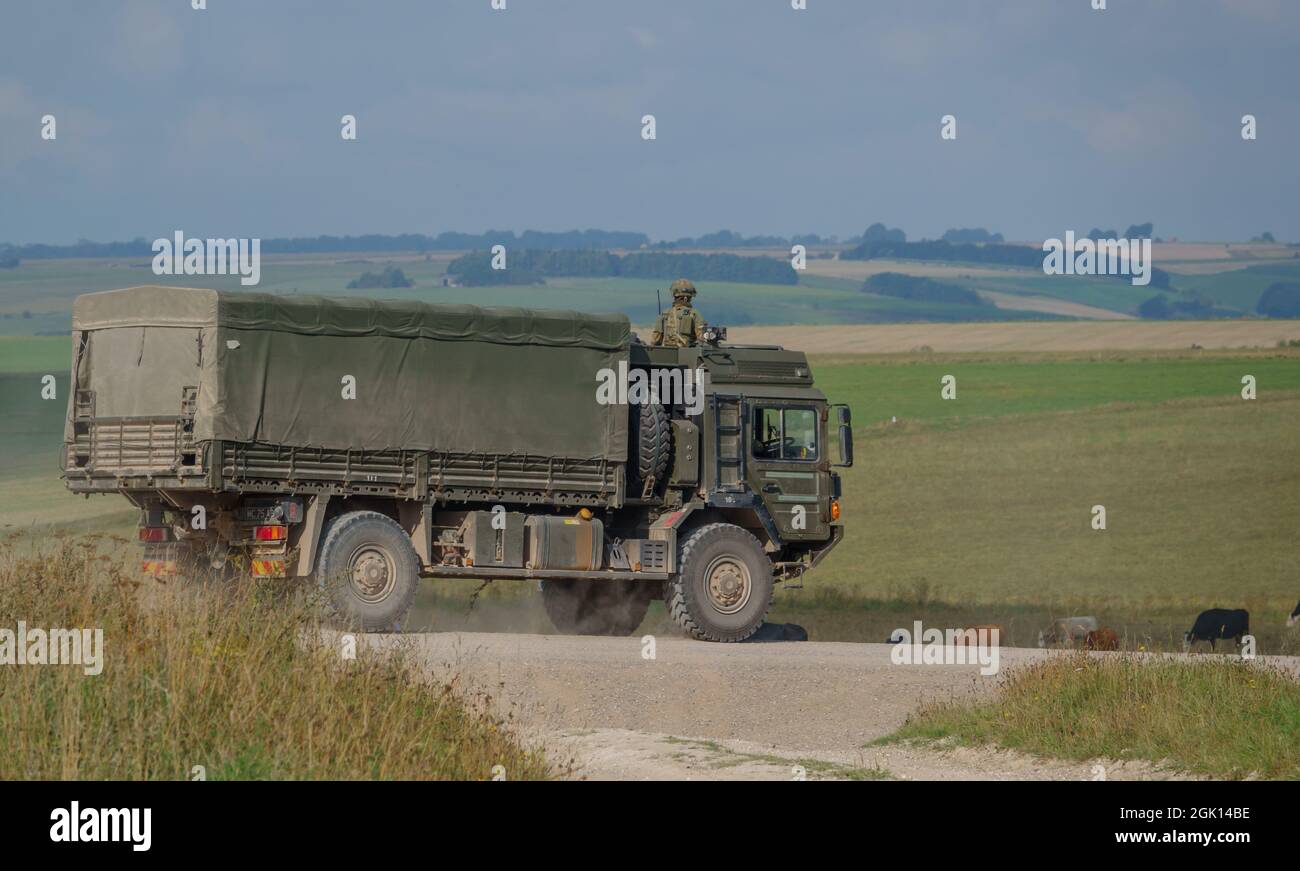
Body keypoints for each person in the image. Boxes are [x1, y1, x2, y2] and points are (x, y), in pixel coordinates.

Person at [651, 278, 705, 348]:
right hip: (688, 354)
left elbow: (655, 341)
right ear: (686, 298)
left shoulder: (664, 313)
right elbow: (702, 339)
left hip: (667, 354)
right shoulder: (695, 313)